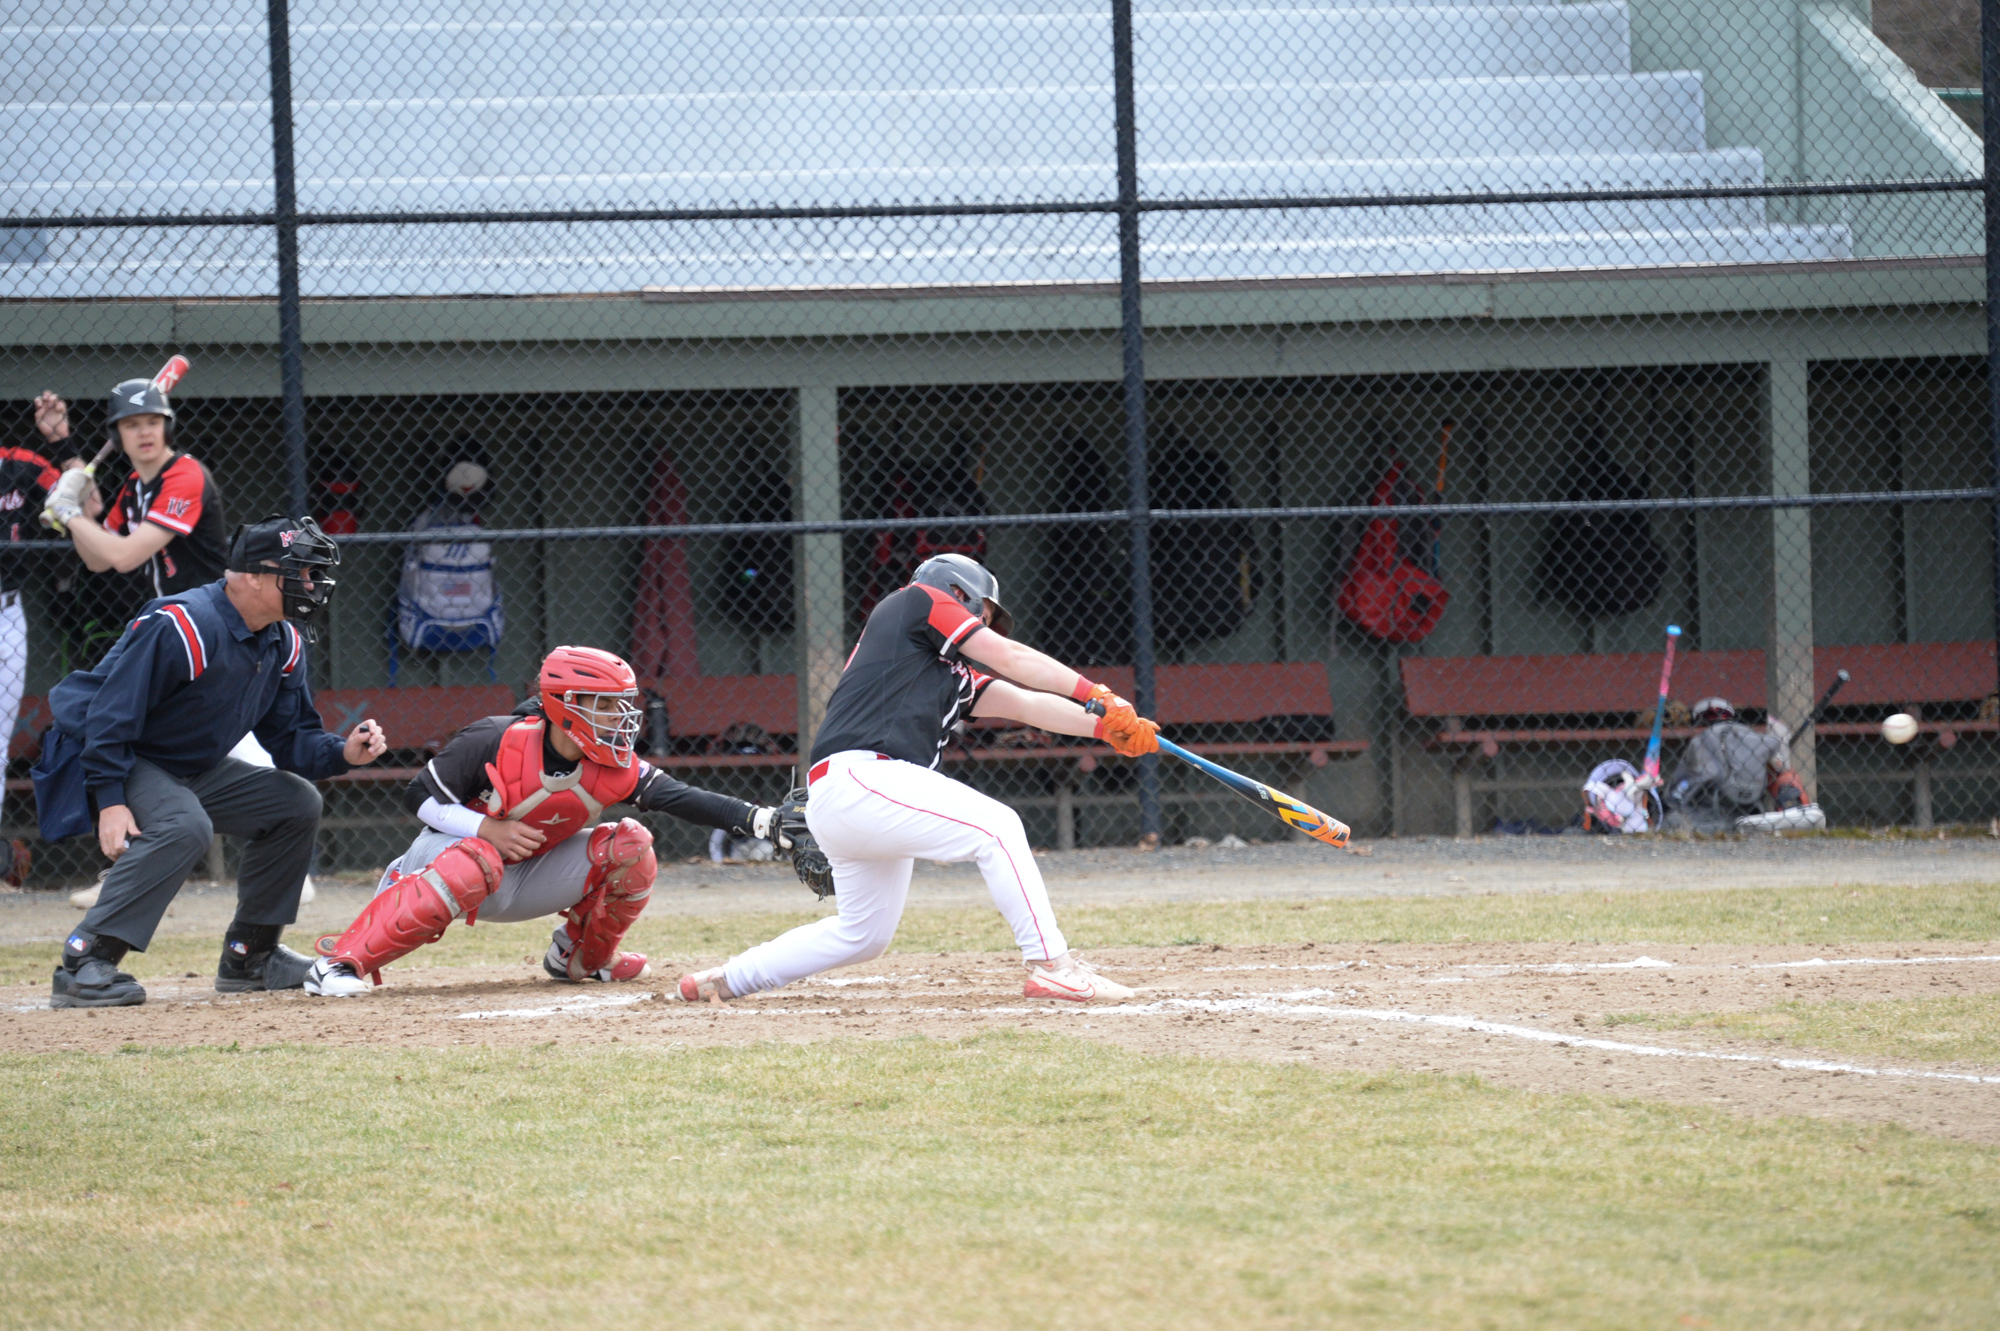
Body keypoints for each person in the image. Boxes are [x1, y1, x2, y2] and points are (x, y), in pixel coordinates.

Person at [677, 553, 1160, 1007]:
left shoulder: (950, 675)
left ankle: (728, 980)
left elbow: (1027, 704)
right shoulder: (917, 601)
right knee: (998, 826)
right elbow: (1010, 657)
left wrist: (1106, 729)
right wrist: (1096, 692)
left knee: (864, 934)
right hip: (863, 777)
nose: (983, 627)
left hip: (858, 797)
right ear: (958, 593)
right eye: (982, 615)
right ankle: (1052, 964)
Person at [304, 645, 799, 997]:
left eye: (621, 706)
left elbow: (683, 798)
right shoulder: (495, 737)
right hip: (443, 864)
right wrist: (487, 829)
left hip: (524, 876)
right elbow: (419, 797)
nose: (619, 719)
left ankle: (579, 958)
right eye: (605, 706)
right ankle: (339, 963)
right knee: (478, 859)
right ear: (566, 706)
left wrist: (765, 822)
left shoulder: (613, 763)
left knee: (632, 847)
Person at [36, 516, 385, 1008]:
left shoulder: (282, 639)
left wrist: (344, 752)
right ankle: (86, 960)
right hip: (111, 753)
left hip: (186, 766)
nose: (309, 584)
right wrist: (111, 800)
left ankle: (252, 957)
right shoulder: (182, 625)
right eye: (298, 572)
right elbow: (109, 718)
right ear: (250, 576)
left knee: (294, 803)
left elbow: (291, 740)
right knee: (185, 826)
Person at [42, 374, 230, 602]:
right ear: (116, 434)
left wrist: (69, 514)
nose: (145, 433)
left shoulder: (186, 476)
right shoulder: (135, 486)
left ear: (167, 427)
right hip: (169, 613)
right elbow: (97, 560)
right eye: (132, 425)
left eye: (153, 421)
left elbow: (125, 558)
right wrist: (80, 510)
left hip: (210, 615)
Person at [1662, 697, 1799, 832]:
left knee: (1673, 818)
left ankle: (1791, 809)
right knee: (1784, 773)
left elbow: (1682, 785)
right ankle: (1793, 808)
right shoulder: (1750, 735)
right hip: (1751, 808)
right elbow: (1781, 768)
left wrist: (1668, 803)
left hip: (1708, 815)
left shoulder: (1700, 740)